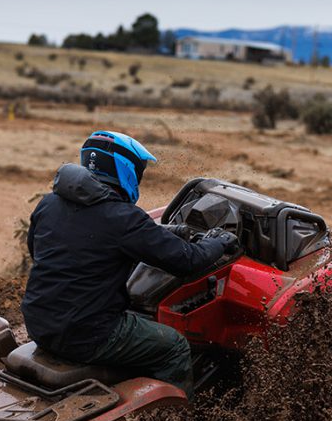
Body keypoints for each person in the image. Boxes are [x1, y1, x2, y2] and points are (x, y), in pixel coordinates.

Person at [21, 130, 237, 397]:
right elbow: (188, 261)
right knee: (174, 346)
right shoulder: (122, 217)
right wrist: (218, 242)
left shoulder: (49, 203)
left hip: (40, 323)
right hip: (87, 335)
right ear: (125, 169)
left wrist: (171, 232)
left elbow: (41, 250)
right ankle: (174, 418)